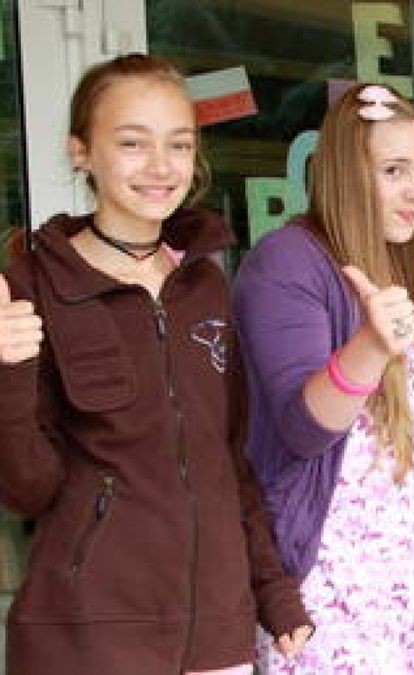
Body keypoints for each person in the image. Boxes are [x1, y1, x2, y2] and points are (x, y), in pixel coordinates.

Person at [0, 54, 311, 675]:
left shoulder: (204, 283)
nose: (161, 167)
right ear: (80, 151)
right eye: (132, 143)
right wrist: (5, 370)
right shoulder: (32, 283)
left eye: (179, 144)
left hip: (216, 636)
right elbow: (25, 489)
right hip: (93, 634)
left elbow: (231, 463)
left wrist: (273, 593)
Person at [233, 83, 414, 673]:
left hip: (403, 567)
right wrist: (370, 346)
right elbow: (304, 430)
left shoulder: (394, 257)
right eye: (394, 170)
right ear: (345, 173)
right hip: (331, 577)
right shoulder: (286, 260)